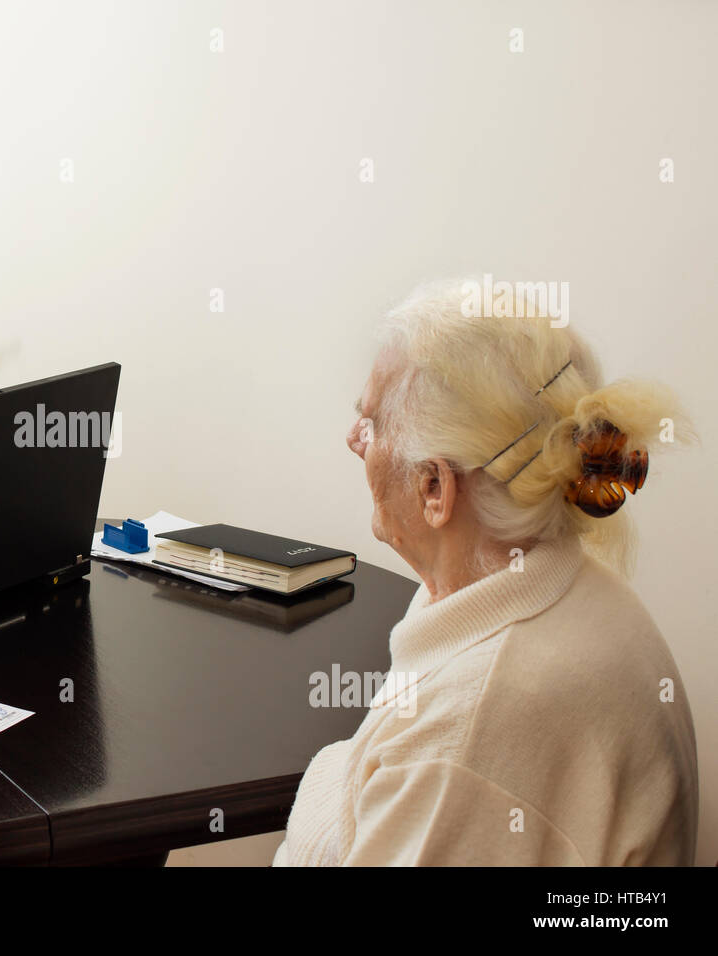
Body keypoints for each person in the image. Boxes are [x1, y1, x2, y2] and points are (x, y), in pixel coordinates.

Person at [275, 279, 698, 865]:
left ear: (434, 489)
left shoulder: (467, 734)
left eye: (370, 424)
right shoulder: (551, 585)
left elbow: (431, 765)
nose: (353, 440)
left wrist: (328, 786)